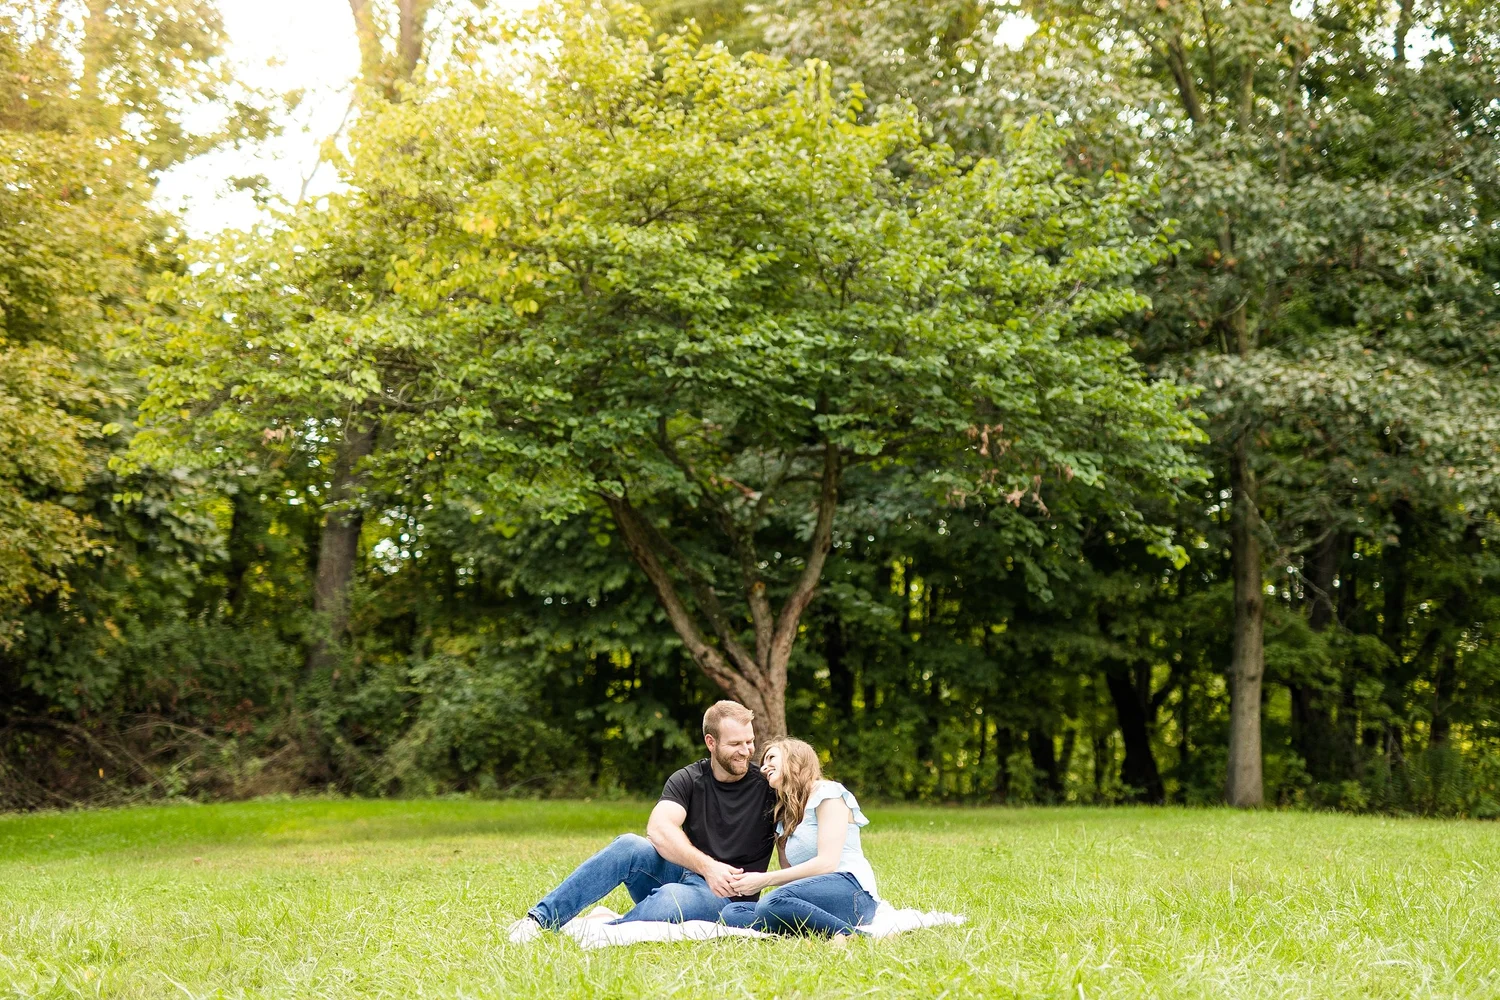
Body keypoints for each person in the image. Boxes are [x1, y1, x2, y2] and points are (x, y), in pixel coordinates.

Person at [508, 700, 776, 941]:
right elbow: (659, 829)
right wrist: (708, 867)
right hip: (688, 872)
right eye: (735, 744)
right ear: (711, 742)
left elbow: (798, 825)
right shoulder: (689, 778)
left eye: (749, 741)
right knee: (628, 845)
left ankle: (606, 927)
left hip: (726, 895)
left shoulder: (769, 787)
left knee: (671, 900)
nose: (746, 751)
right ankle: (539, 920)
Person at [718, 737, 880, 937]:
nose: (763, 768)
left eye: (771, 758)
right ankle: (820, 931)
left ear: (794, 759)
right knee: (733, 912)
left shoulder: (828, 793)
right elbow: (790, 876)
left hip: (852, 892)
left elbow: (827, 863)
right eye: (763, 764)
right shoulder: (783, 817)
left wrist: (764, 880)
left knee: (770, 904)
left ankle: (855, 936)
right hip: (815, 900)